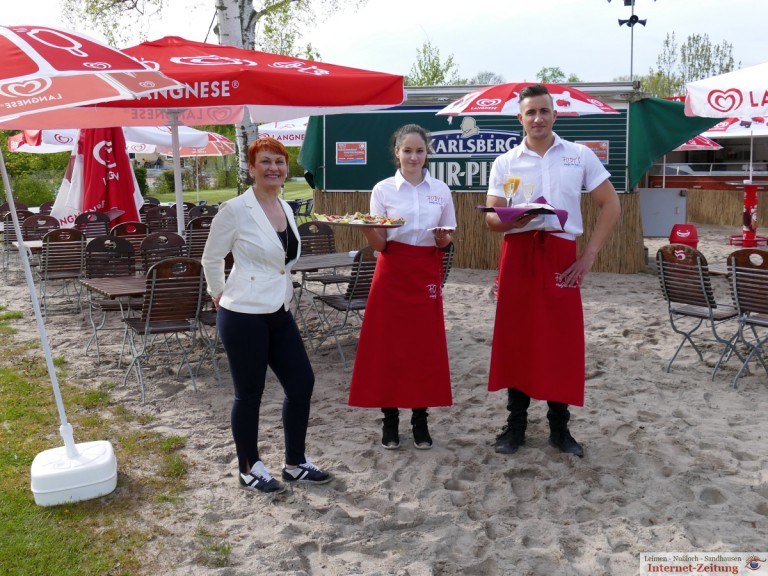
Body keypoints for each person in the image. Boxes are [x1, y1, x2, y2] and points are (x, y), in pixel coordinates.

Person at [484, 84, 621, 458]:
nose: (538, 118)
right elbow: (492, 219)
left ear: (555, 115)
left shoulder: (578, 156)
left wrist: (589, 255)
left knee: (561, 342)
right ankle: (515, 427)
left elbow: (610, 205)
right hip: (518, 253)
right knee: (517, 339)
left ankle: (560, 430)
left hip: (562, 255)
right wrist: (517, 218)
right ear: (520, 118)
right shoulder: (506, 162)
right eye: (531, 112)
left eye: (544, 111)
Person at [201, 137, 331, 493]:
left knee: (301, 383)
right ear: (252, 168)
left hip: (279, 308)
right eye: (266, 162)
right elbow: (211, 258)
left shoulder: (285, 208)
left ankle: (295, 463)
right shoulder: (234, 209)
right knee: (250, 393)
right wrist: (218, 292)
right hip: (242, 313)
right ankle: (248, 467)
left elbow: (283, 260)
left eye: (280, 161)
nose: (274, 168)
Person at [349, 124, 457, 450]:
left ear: (427, 154)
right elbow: (380, 243)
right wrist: (367, 229)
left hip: (425, 270)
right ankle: (391, 420)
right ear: (396, 152)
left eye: (419, 151)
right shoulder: (382, 190)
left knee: (424, 348)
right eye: (407, 150)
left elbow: (447, 234)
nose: (413, 156)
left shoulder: (441, 190)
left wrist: (443, 238)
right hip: (392, 269)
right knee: (389, 347)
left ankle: (420, 420)